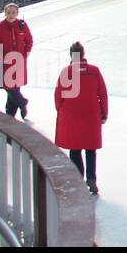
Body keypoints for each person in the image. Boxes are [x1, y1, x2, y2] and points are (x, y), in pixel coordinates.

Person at [53, 42, 107, 194]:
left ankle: (78, 179)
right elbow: (102, 94)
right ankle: (91, 179)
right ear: (83, 54)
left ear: (71, 55)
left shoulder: (66, 72)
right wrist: (104, 114)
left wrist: (61, 111)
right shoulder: (94, 71)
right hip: (91, 116)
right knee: (91, 150)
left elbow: (58, 95)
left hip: (71, 116)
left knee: (75, 149)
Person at [0, 3, 33, 119]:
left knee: (15, 87)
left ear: (17, 13)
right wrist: (2, 59)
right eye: (8, 12)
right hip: (4, 63)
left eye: (13, 12)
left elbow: (29, 41)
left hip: (19, 61)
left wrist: (25, 55)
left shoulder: (22, 25)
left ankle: (9, 115)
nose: (11, 15)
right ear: (5, 13)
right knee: (8, 87)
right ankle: (22, 102)